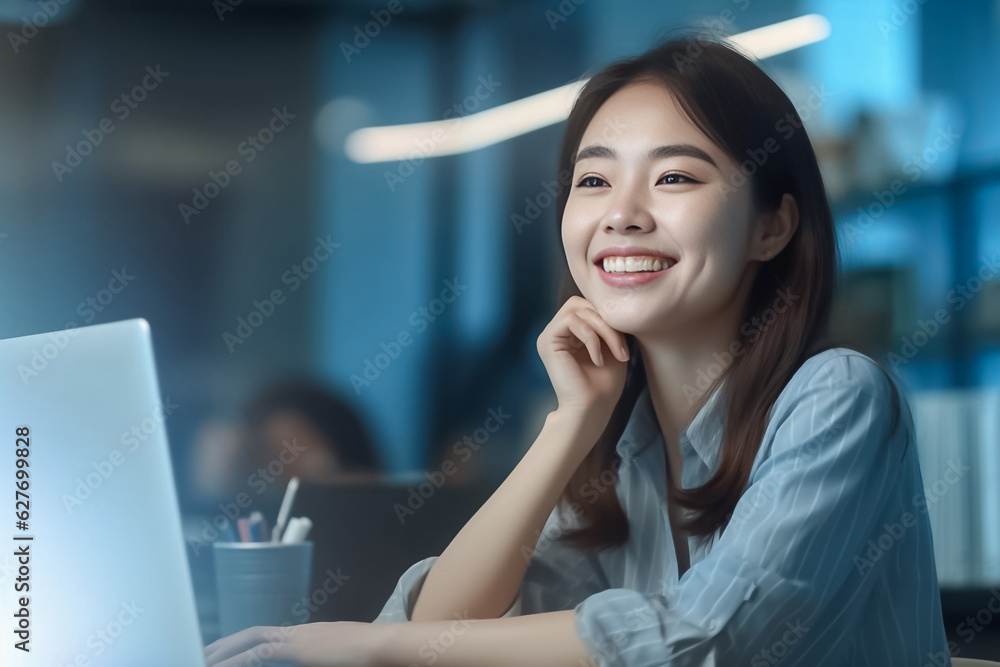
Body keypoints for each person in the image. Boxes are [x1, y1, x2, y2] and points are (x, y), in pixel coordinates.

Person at [203, 34, 951, 667]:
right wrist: (570, 426)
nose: (621, 214)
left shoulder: (838, 395)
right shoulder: (629, 449)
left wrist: (364, 647)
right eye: (593, 179)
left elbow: (713, 636)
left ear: (772, 227)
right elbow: (432, 624)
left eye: (675, 177)